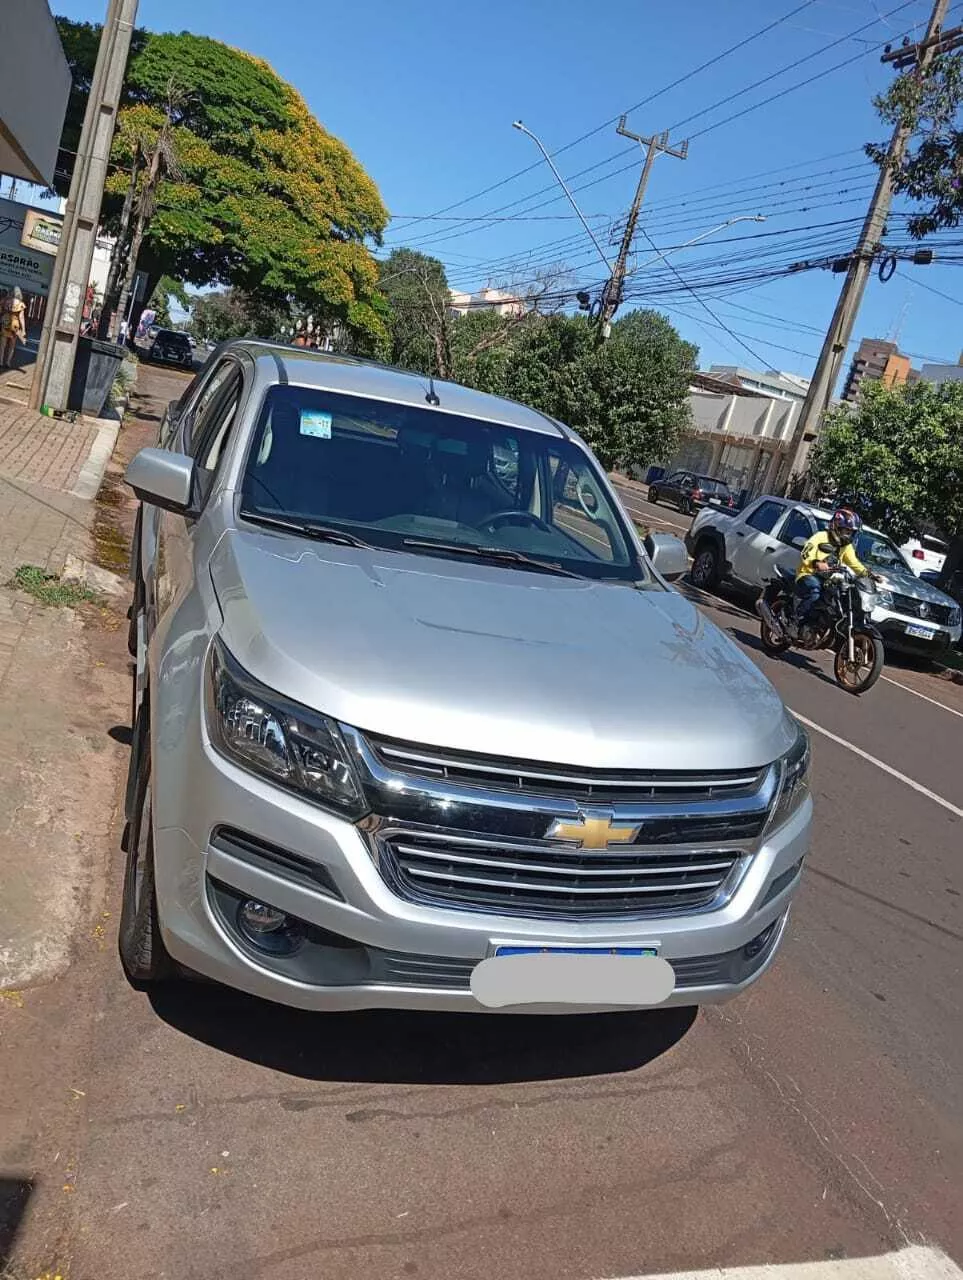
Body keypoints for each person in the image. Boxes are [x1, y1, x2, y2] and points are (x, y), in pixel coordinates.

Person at [794, 507, 871, 624]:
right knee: (815, 592)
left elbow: (855, 564)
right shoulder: (820, 537)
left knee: (841, 598)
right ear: (836, 527)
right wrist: (816, 563)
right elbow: (805, 553)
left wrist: (870, 575)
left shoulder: (846, 547)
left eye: (851, 532)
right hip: (808, 574)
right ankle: (796, 618)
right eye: (846, 531)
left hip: (829, 579)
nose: (848, 535)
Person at [0, 286, 28, 369]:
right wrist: (23, 330)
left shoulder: (4, 301)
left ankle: (0, 361)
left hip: (5, 323)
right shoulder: (21, 304)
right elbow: (21, 317)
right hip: (14, 326)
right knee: (12, 345)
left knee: (2, 345)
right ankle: (8, 362)